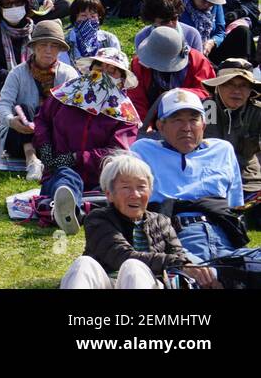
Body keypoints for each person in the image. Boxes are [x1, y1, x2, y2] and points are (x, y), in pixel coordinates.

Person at [60, 154, 211, 289]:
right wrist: (176, 262)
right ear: (109, 194)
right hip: (106, 283)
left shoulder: (162, 221)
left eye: (141, 187)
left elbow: (179, 257)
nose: (135, 194)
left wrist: (190, 268)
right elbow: (121, 255)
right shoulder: (98, 219)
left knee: (134, 269)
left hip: (147, 283)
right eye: (126, 187)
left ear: (150, 192)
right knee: (83, 264)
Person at [35, 46, 141, 236]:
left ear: (122, 78)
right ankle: (69, 210)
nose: (103, 74)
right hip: (59, 170)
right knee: (67, 179)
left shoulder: (125, 115)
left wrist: (77, 157)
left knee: (113, 193)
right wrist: (45, 148)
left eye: (112, 70)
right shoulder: (67, 94)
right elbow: (42, 119)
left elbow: (117, 153)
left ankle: (70, 210)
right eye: (99, 67)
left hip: (100, 177)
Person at [132, 90, 245, 263]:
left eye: (193, 119)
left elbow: (235, 206)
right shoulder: (143, 151)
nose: (186, 128)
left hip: (224, 234)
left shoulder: (222, 150)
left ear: (204, 125)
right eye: (177, 119)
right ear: (160, 127)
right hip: (175, 235)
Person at [0, 19, 78, 179]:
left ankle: (46, 159)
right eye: (43, 45)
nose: (48, 50)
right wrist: (12, 121)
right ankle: (31, 159)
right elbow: (3, 104)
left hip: (54, 138)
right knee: (23, 109)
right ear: (33, 47)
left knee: (46, 111)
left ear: (59, 50)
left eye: (53, 46)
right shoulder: (17, 73)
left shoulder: (68, 74)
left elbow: (74, 110)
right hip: (19, 137)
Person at [129, 25, 215, 125]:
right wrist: (145, 124)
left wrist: (175, 95)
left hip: (193, 121)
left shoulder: (198, 61)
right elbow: (136, 99)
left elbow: (208, 94)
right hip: (153, 121)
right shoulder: (139, 64)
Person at [203, 61, 261, 206]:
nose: (237, 91)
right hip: (207, 178)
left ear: (250, 90)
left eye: (243, 85)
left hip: (248, 181)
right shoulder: (200, 110)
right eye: (229, 84)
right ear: (218, 87)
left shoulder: (257, 112)